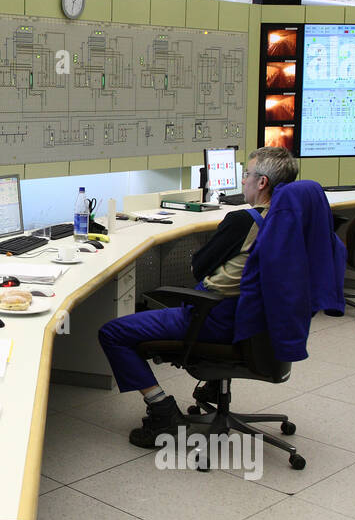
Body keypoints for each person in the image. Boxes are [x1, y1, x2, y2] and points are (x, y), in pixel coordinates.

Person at [97, 146, 300, 447]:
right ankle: (211, 388)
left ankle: (162, 411)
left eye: (247, 175)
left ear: (262, 183)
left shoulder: (244, 221)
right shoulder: (294, 218)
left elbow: (196, 268)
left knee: (112, 332)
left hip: (218, 318)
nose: (242, 180)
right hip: (259, 324)